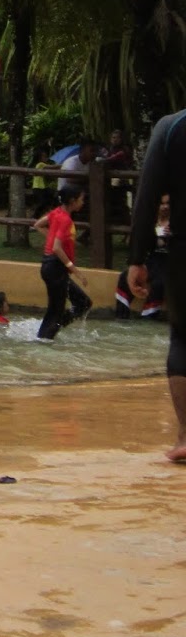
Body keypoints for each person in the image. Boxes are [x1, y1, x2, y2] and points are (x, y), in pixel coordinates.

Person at [125, 109, 186, 462]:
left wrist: (137, 257)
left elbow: (147, 196)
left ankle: (185, 436)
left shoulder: (171, 126)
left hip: (183, 249)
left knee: (183, 338)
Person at [33, 187, 91, 340]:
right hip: (55, 267)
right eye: (81, 199)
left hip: (52, 267)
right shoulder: (65, 219)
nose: (83, 202)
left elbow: (38, 224)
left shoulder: (56, 212)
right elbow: (57, 248)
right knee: (55, 311)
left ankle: (51, 331)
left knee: (83, 302)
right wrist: (76, 271)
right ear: (72, 201)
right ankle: (45, 338)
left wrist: (51, 238)